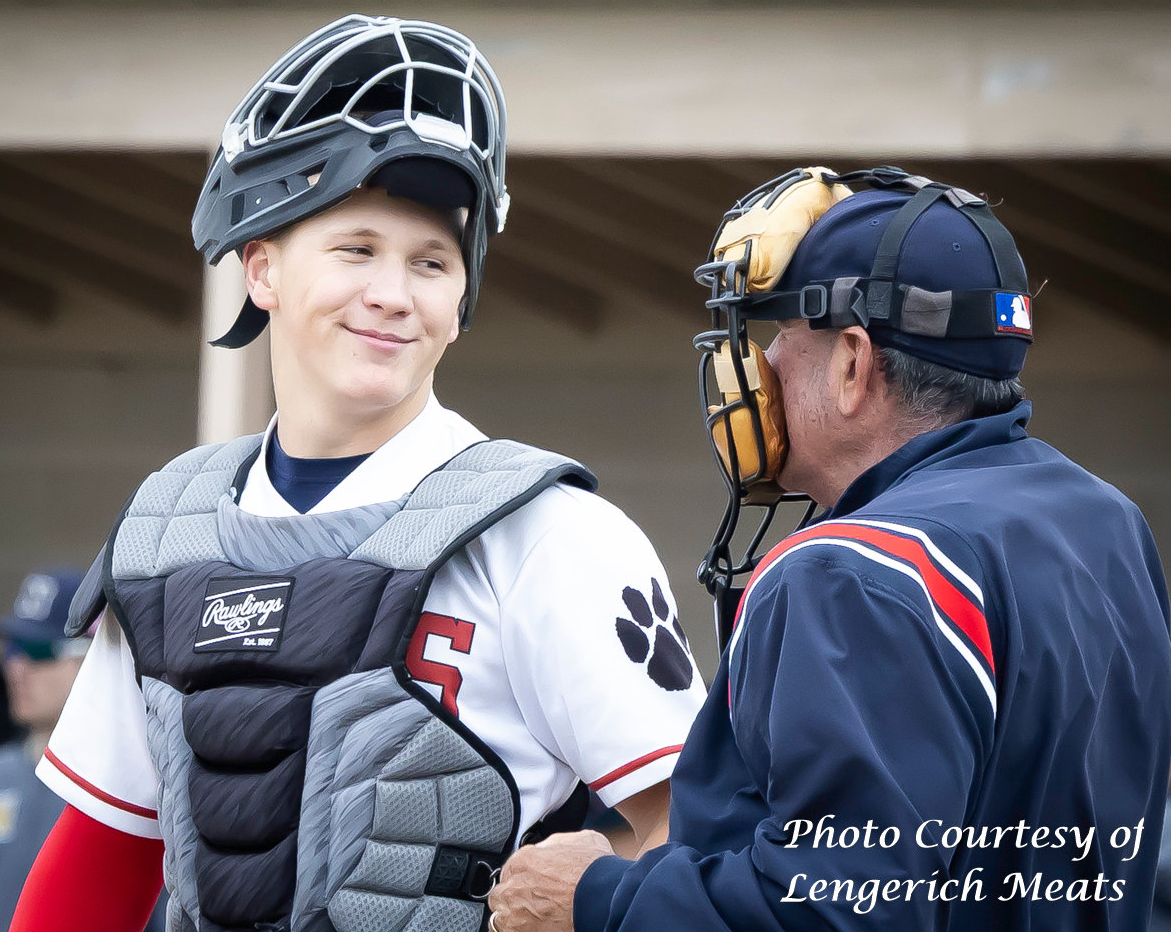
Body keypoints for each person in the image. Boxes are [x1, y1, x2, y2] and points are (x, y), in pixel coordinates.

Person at [8, 15, 704, 932]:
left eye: (431, 263)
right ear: (261, 269)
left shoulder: (547, 533)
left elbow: (694, 841)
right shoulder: (166, 528)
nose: (393, 293)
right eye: (356, 250)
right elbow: (101, 861)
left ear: (459, 305)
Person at [487, 166, 1171, 930]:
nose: (764, 366)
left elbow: (837, 912)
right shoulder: (1106, 524)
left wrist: (598, 898)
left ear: (853, 363)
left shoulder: (849, 571)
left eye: (780, 334)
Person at [0, 569, 166, 932]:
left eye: (36, 651)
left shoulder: (131, 781)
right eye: (11, 649)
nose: (16, 668)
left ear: (90, 655)